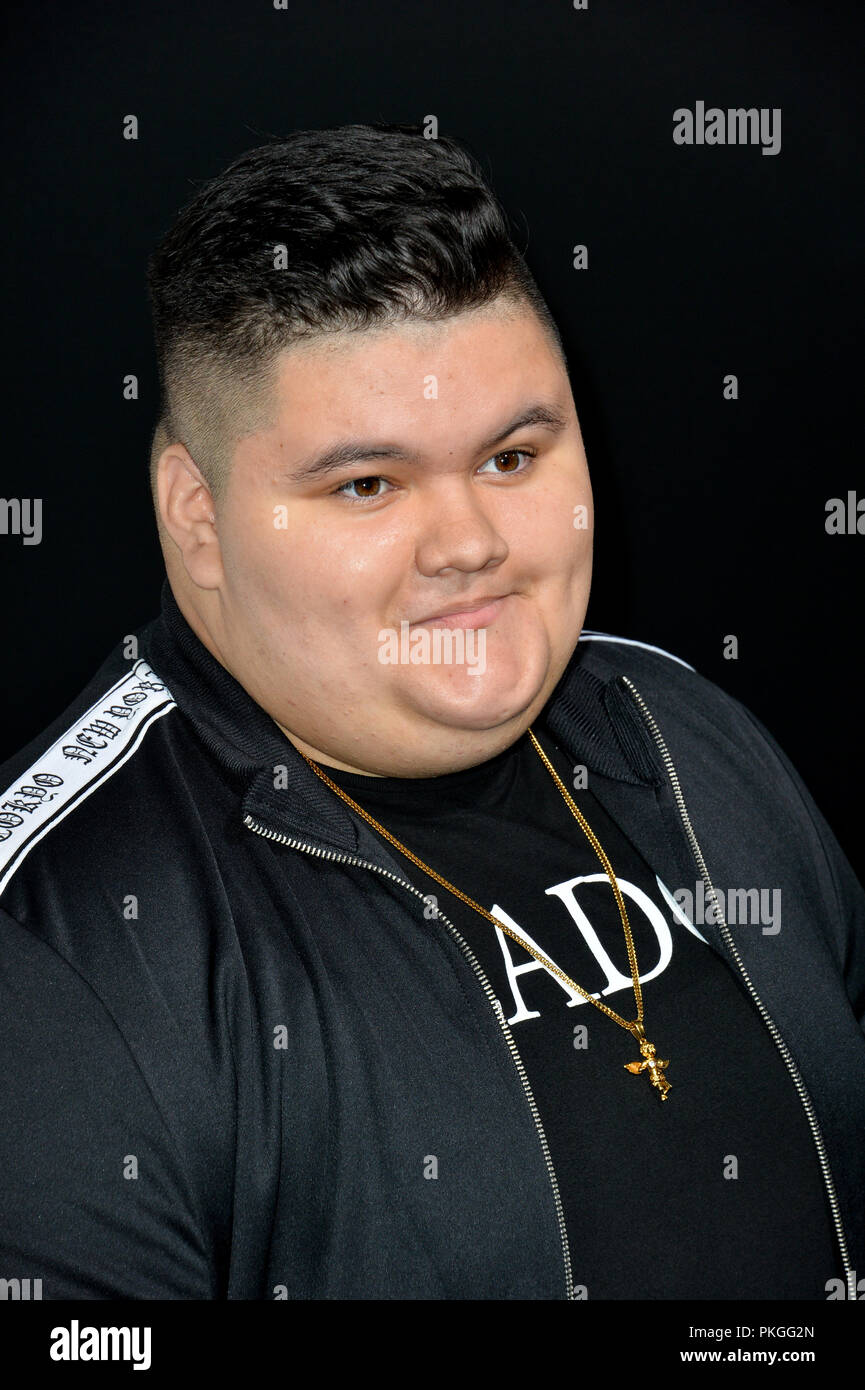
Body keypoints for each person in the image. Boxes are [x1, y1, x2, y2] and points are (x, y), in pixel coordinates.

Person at [0, 123, 862, 1302]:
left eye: (511, 459)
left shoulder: (683, 726)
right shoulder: (57, 946)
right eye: (367, 484)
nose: (470, 546)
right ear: (197, 517)